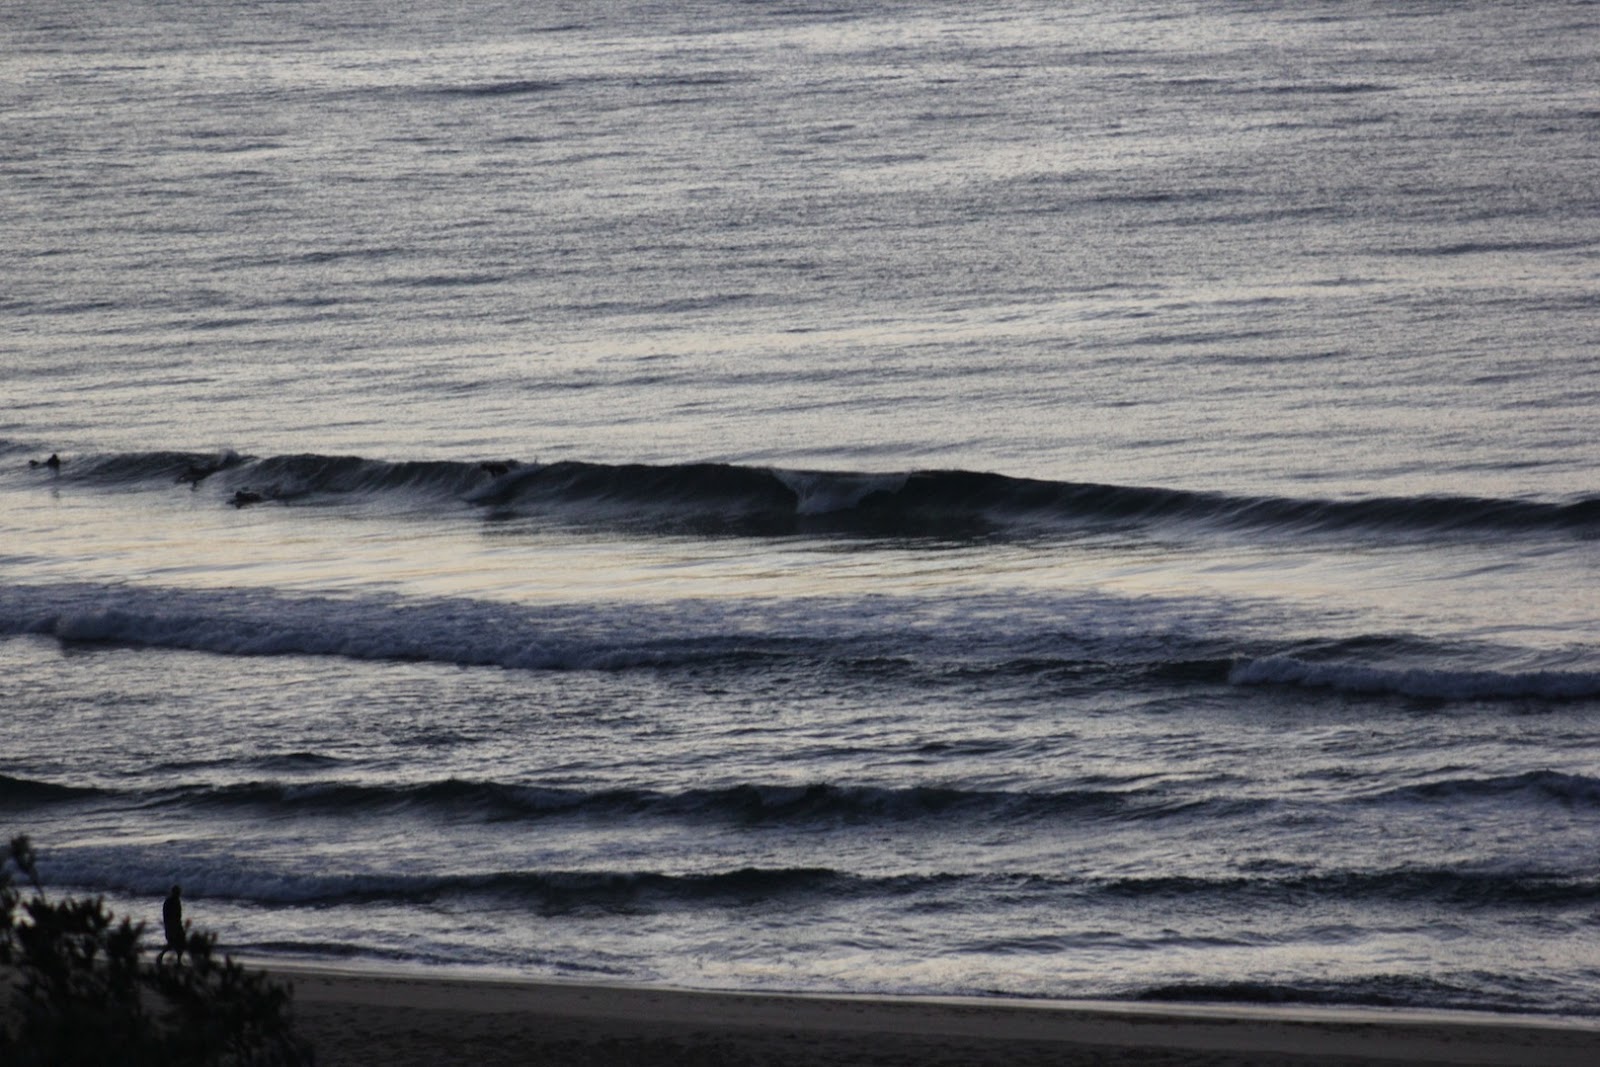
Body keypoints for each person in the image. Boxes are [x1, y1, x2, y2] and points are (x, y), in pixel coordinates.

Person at [157, 884, 186, 965]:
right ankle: (161, 956)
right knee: (173, 943)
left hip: (176, 925)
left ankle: (178, 960)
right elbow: (168, 915)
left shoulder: (176, 901)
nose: (179, 893)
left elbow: (178, 915)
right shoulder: (170, 901)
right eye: (178, 892)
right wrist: (170, 925)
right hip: (171, 926)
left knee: (180, 943)